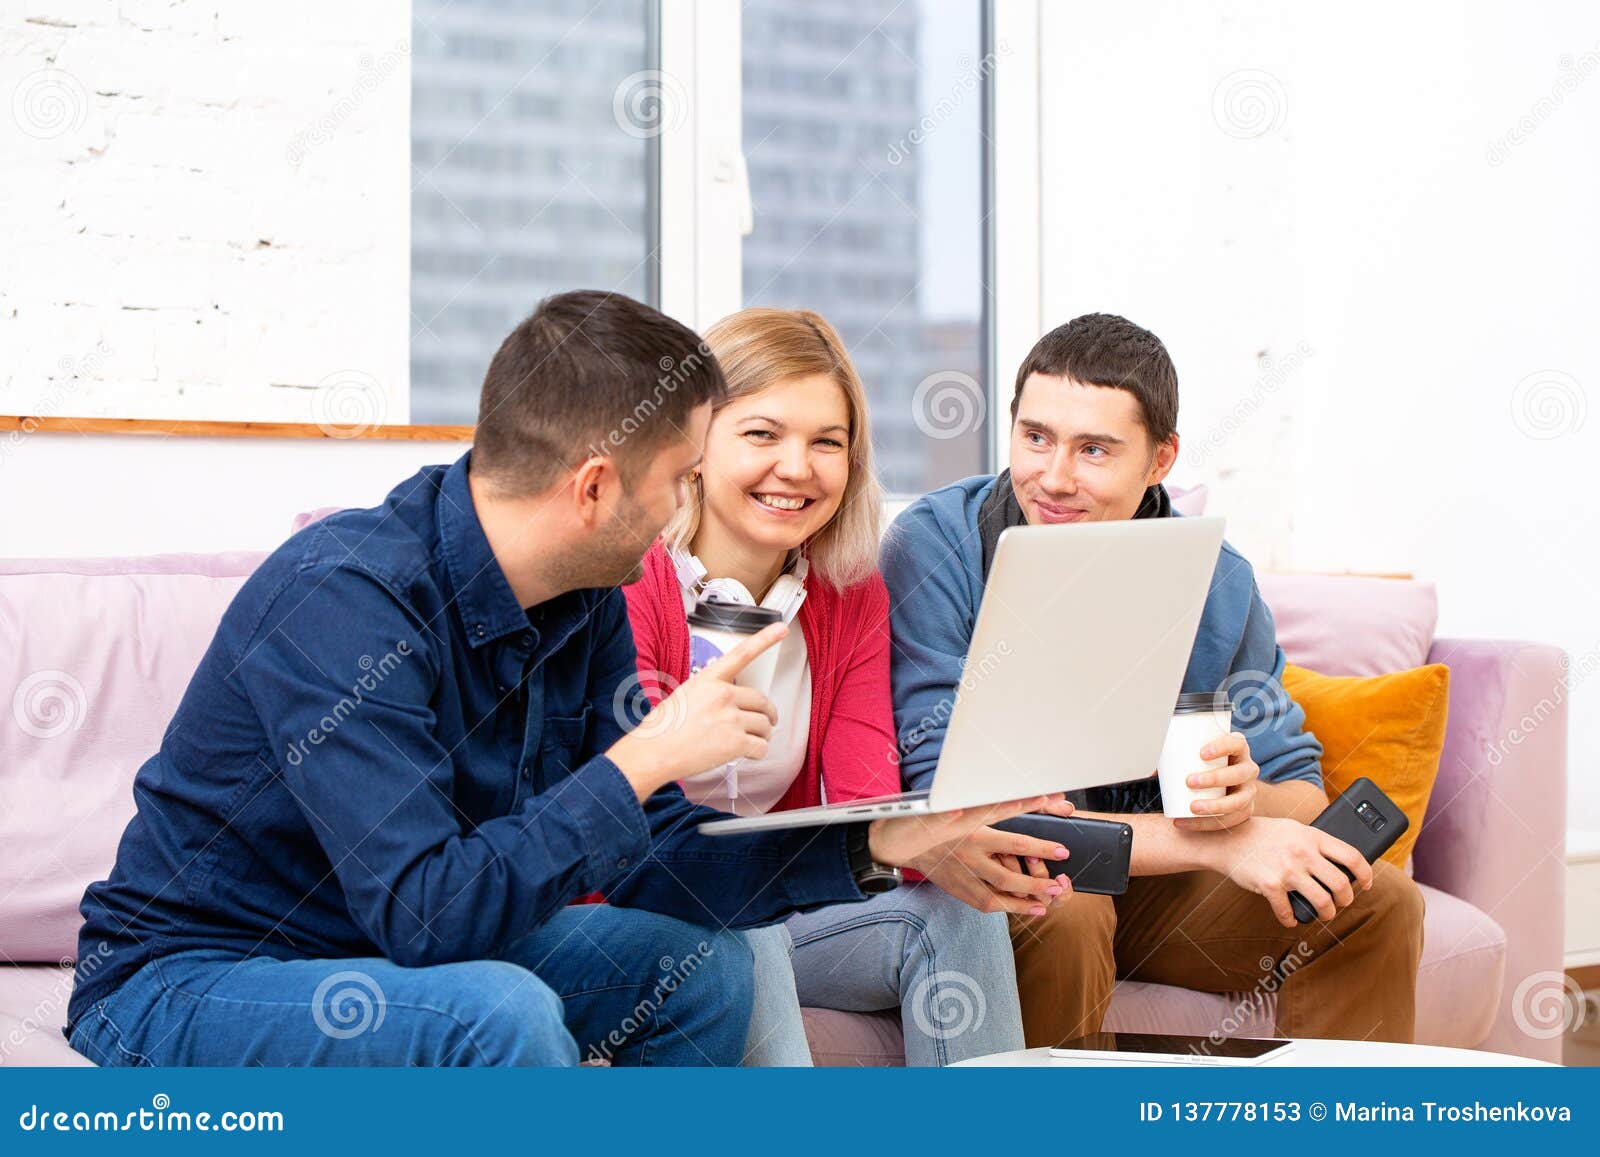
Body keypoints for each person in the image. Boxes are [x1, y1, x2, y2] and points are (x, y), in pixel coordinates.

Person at [66, 290, 1056, 1068]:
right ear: (592, 487)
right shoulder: (343, 601)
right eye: (679, 477)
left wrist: (881, 837)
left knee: (701, 969)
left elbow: (654, 858)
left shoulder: (577, 596)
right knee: (502, 1015)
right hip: (201, 972)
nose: (685, 505)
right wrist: (636, 762)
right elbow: (428, 910)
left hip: (381, 948)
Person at [880, 312, 1426, 1047]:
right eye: (1035, 437)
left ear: (1161, 459)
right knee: (1063, 905)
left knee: (1378, 898)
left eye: (1095, 449)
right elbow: (953, 809)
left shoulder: (1218, 580)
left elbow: (1300, 795)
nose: (1054, 476)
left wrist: (1242, 800)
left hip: (1155, 891)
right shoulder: (936, 546)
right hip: (1022, 877)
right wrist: (1214, 845)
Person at [623, 307, 1073, 1066]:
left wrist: (964, 825)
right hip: (646, 909)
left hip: (782, 908)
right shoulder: (630, 579)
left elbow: (869, 800)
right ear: (694, 444)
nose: (798, 467)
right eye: (763, 434)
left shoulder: (848, 595)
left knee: (959, 918)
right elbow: (621, 825)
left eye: (827, 442)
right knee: (747, 914)